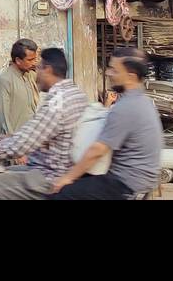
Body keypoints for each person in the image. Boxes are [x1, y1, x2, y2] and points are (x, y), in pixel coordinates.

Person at [0, 48, 87, 200]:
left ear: (48, 70)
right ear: (17, 60)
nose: (36, 71)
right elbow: (7, 116)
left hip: (48, 176)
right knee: (4, 172)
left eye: (39, 66)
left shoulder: (57, 103)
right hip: (42, 158)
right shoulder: (75, 93)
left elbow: (22, 142)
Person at [49, 46, 162, 199]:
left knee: (61, 194)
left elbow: (97, 151)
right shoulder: (144, 101)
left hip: (124, 183)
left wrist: (67, 178)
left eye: (114, 70)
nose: (108, 73)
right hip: (142, 179)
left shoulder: (126, 107)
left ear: (130, 76)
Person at [0, 39, 40, 135]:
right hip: (14, 143)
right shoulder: (6, 80)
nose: (33, 63)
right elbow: (4, 120)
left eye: (34, 59)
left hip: (30, 139)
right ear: (18, 60)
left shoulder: (29, 75)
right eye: (30, 60)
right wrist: (10, 144)